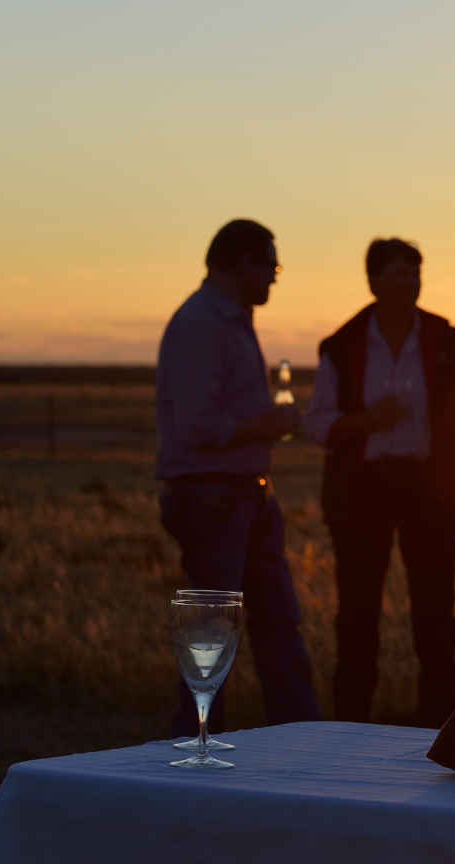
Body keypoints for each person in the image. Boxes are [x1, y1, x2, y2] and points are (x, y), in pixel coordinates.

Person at [302, 238, 455, 727]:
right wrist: (369, 421)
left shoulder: (444, 339)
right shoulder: (343, 346)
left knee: (435, 612)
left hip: (428, 490)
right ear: (372, 281)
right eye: (397, 273)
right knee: (358, 613)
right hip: (363, 491)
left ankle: (440, 727)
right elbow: (318, 422)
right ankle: (349, 726)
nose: (409, 282)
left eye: (415, 273)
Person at [156, 218, 322, 737]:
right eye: (271, 266)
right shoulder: (203, 324)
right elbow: (197, 425)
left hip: (242, 495)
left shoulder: (228, 320)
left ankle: (297, 743)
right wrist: (267, 425)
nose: (274, 278)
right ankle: (198, 749)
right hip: (214, 496)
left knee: (273, 623)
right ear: (244, 264)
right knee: (214, 635)